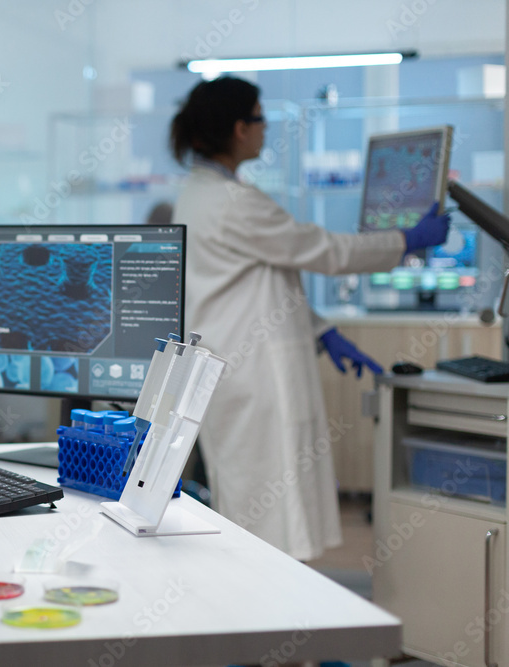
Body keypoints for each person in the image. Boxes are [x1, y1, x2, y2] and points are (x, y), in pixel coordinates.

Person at [169, 77, 450, 561]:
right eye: (260, 117)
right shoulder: (234, 203)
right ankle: (271, 618)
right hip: (257, 378)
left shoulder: (199, 192)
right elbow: (323, 249)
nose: (265, 128)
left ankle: (268, 610)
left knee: (258, 506)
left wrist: (322, 331)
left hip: (235, 371)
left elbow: (264, 278)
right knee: (270, 515)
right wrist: (406, 240)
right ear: (239, 128)